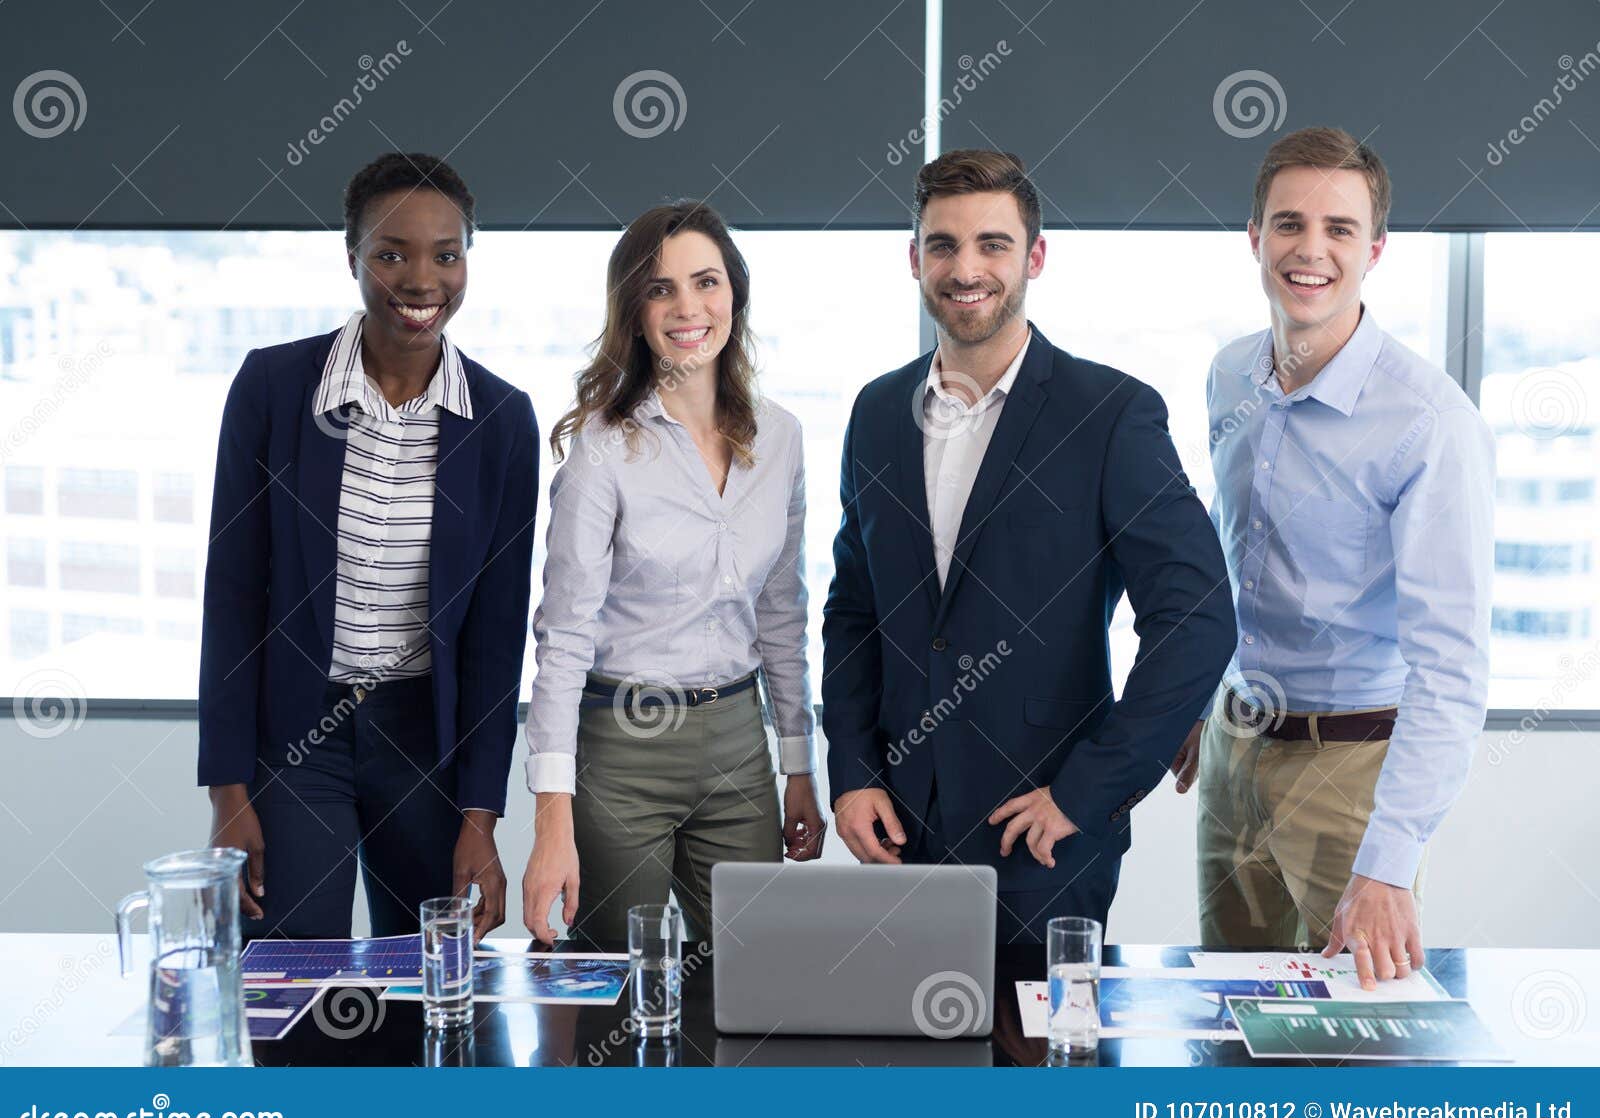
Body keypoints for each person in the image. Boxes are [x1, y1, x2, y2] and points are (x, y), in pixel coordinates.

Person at [823, 149, 1235, 943]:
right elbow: (854, 608)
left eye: (993, 244)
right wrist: (852, 770)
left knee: (1045, 1059)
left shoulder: (1110, 413)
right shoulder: (877, 412)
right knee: (907, 1057)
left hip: (1042, 832)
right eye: (942, 245)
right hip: (898, 828)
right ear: (914, 259)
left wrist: (1091, 789)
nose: (965, 267)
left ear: (1034, 257)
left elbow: (1199, 617)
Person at [1168, 127, 1494, 988]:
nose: (1311, 249)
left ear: (1375, 249)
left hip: (1352, 771)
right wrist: (1197, 693)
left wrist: (1390, 860)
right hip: (1236, 750)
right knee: (1230, 1018)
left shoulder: (1429, 420)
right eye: (1288, 224)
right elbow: (1233, 548)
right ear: (1254, 238)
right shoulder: (1231, 374)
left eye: (1339, 229)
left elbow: (1452, 666)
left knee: (1364, 1042)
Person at [201, 152, 537, 943]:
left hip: (425, 742)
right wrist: (227, 789)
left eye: (446, 254)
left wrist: (481, 817)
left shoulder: (501, 421)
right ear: (351, 257)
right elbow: (233, 594)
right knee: (288, 973)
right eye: (391, 254)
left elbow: (496, 638)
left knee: (428, 984)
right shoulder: (275, 389)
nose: (422, 279)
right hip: (298, 734)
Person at [520, 201, 826, 946]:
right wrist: (551, 820)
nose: (688, 307)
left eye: (706, 282)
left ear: (735, 294)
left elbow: (783, 614)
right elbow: (563, 638)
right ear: (634, 309)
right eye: (661, 289)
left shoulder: (780, 437)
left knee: (753, 978)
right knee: (621, 991)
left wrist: (798, 767)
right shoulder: (602, 451)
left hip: (736, 740)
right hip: (622, 744)